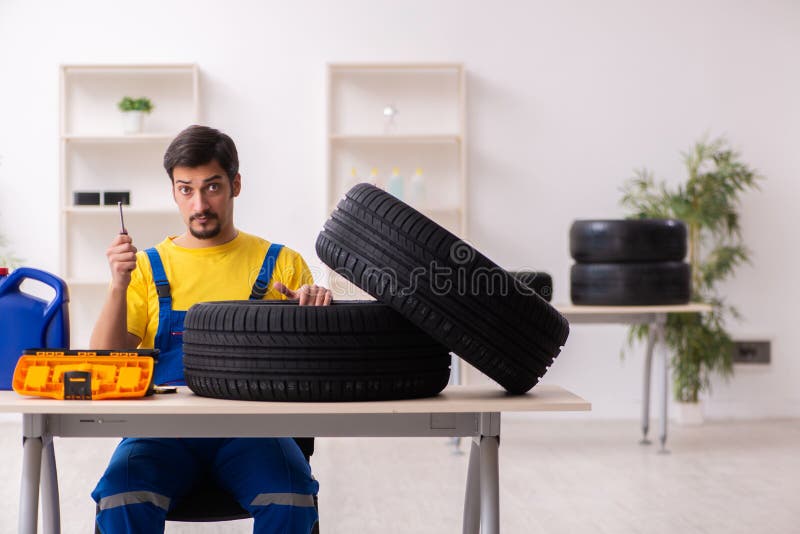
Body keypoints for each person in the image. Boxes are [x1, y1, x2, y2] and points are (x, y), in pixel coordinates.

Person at [89, 124, 331, 533]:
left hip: (254, 433)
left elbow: (316, 374)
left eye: (212, 187)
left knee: (292, 497)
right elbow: (104, 362)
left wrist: (314, 319)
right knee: (120, 496)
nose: (199, 203)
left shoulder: (282, 264)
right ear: (173, 192)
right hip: (160, 434)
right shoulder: (146, 267)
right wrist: (118, 284)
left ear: (236, 184)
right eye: (186, 189)